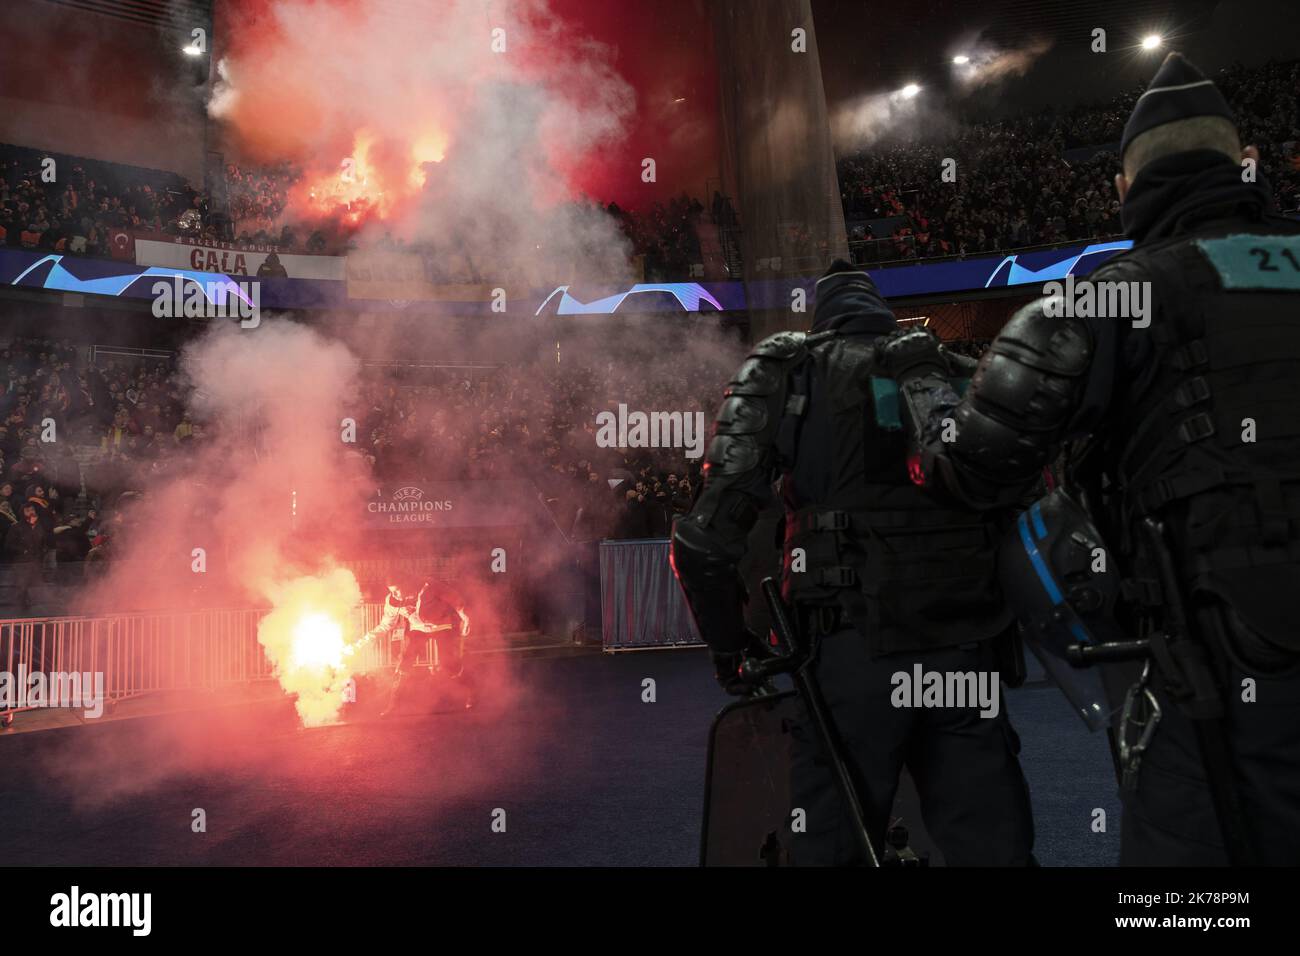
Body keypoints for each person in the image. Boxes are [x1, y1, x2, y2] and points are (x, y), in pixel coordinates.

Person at [879, 52, 1300, 865]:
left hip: (1213, 675)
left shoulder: (1109, 299)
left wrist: (924, 380)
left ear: (1123, 189)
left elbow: (969, 468)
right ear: (1243, 161)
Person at [671, 260, 1034, 866]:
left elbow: (703, 544)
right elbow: (1030, 507)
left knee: (830, 849)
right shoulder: (957, 376)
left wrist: (731, 648)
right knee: (994, 848)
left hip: (849, 656)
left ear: (822, 317)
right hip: (966, 655)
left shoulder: (789, 373)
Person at [349, 574, 472, 716]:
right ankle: (394, 705)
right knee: (404, 662)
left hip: (441, 625)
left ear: (406, 584)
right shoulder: (393, 601)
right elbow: (385, 625)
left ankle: (469, 693)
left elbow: (454, 598)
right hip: (417, 629)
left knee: (449, 663)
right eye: (391, 591)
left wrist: (466, 617)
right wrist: (366, 641)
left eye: (397, 590)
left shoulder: (429, 586)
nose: (394, 594)